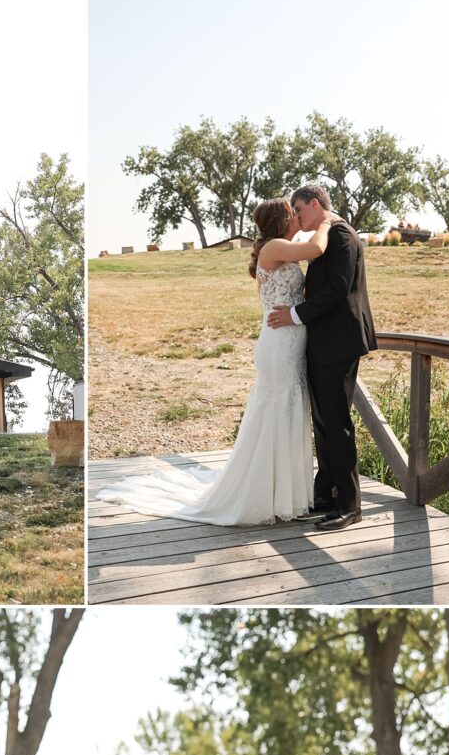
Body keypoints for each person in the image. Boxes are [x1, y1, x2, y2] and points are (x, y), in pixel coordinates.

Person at [95, 197, 337, 526]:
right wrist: (326, 221)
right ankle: (266, 495)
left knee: (289, 410)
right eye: (292, 214)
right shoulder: (273, 247)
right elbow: (317, 250)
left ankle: (287, 495)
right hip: (278, 345)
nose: (297, 217)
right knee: (278, 410)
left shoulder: (279, 247)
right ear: (281, 222)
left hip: (291, 342)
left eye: (299, 212)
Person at [265, 184, 378, 529]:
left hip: (339, 343)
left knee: (337, 422)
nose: (297, 218)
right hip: (322, 343)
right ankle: (326, 493)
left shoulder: (341, 234)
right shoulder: (323, 237)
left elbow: (337, 288)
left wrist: (295, 315)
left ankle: (349, 504)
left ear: (315, 205)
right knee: (324, 421)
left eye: (299, 210)